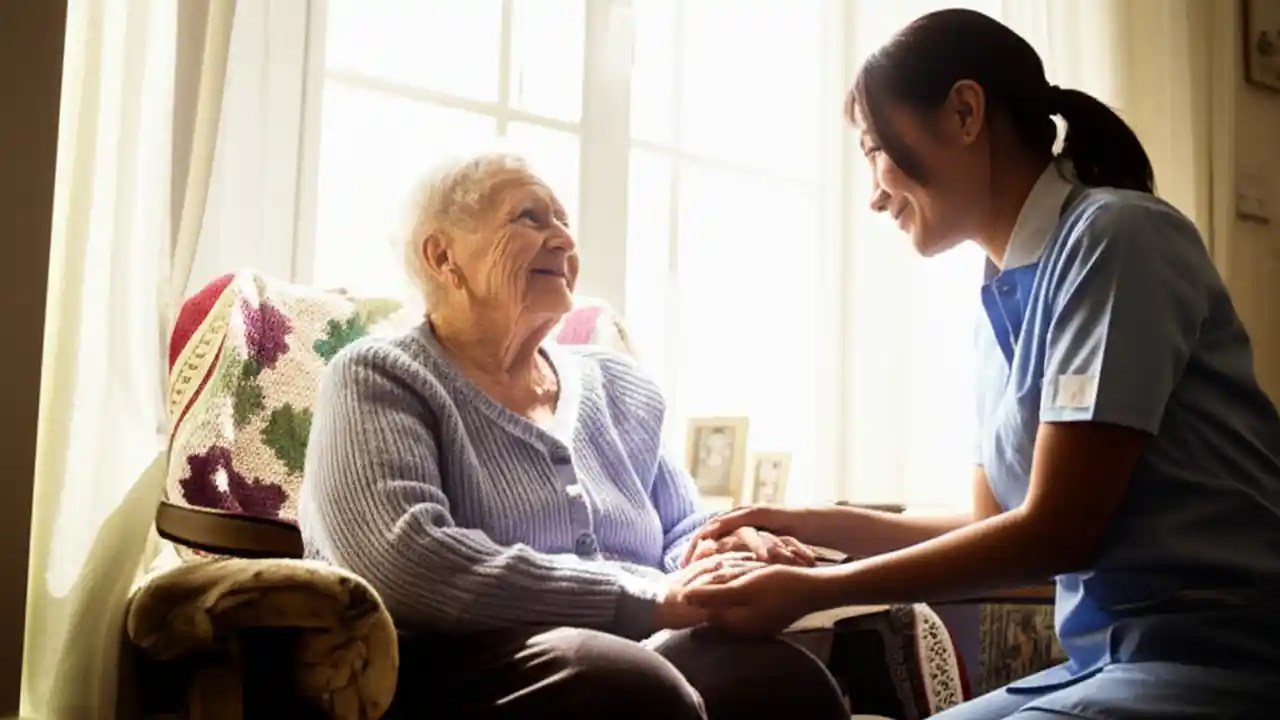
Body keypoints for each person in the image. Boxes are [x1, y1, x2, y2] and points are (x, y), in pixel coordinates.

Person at [680, 9, 1280, 718]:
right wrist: (806, 524)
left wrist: (819, 590)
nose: (873, 194)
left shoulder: (1119, 238)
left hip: (1219, 655)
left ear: (965, 112)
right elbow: (987, 521)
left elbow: (1058, 529)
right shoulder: (1000, 298)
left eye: (875, 150)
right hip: (1108, 662)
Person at [297, 152, 847, 720]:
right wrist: (649, 596)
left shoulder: (618, 385)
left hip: (637, 654)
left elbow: (680, 528)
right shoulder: (380, 376)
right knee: (624, 685)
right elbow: (406, 563)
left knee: (782, 680)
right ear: (443, 256)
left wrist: (720, 554)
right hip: (457, 669)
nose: (563, 240)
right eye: (530, 218)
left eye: (563, 222)